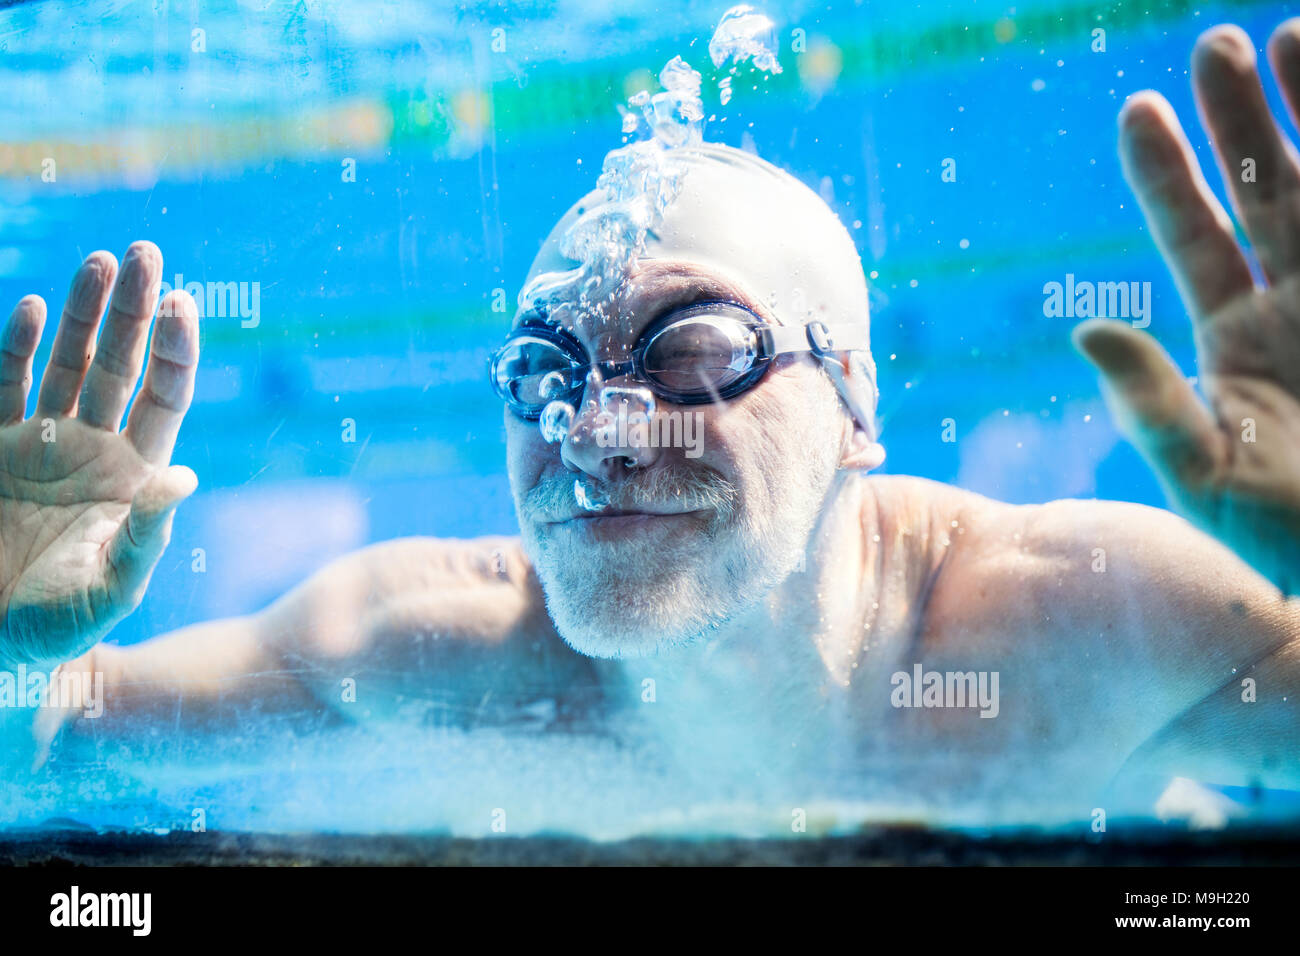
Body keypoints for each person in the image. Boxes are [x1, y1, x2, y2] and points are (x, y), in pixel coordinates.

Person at [2, 20, 1297, 816]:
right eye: (545, 372)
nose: (600, 429)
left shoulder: (1081, 620)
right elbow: (45, 749)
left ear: (857, 403)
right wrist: (8, 641)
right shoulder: (416, 647)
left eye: (693, 355)